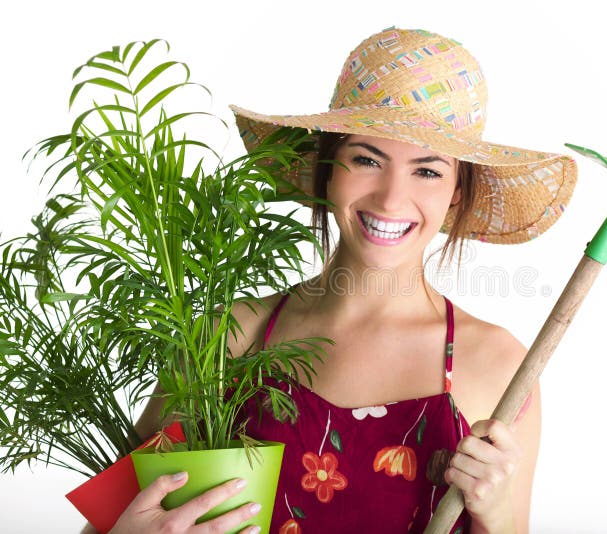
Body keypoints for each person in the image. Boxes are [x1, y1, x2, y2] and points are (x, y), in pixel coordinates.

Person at [103, 27, 577, 533]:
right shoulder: (227, 338)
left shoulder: (499, 365)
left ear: (457, 191)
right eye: (367, 159)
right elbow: (115, 518)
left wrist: (496, 514)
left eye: (427, 171)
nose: (391, 199)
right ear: (328, 168)